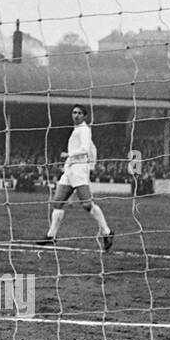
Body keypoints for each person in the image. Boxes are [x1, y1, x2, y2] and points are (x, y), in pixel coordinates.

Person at [36, 104, 114, 249]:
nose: (76, 115)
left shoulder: (84, 130)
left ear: (84, 116)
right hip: (70, 169)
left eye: (79, 113)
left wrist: (70, 155)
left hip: (79, 169)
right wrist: (67, 164)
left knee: (86, 204)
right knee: (57, 202)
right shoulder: (77, 129)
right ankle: (51, 236)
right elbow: (93, 148)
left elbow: (85, 148)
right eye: (74, 112)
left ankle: (107, 232)